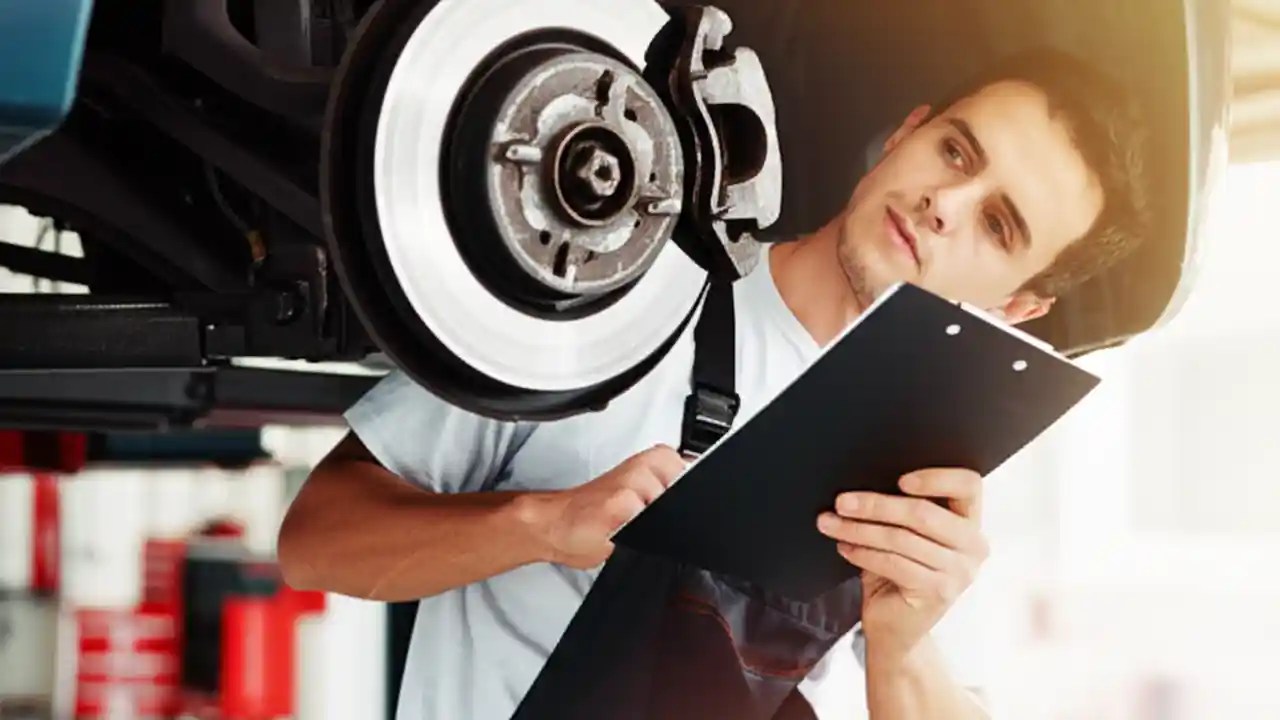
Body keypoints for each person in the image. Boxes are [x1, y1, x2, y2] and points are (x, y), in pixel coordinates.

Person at [278, 46, 1150, 720]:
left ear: (1017, 306)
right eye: (955, 152)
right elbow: (314, 543)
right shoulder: (612, 292)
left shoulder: (937, 482)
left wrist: (901, 645)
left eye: (998, 224)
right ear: (905, 132)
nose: (945, 205)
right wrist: (539, 524)